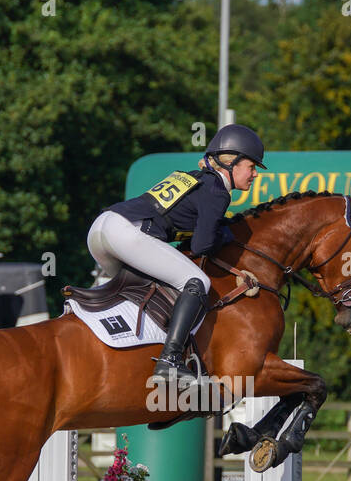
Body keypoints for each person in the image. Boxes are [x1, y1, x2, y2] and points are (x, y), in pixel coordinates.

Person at [87, 123, 266, 390]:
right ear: (232, 163)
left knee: (137, 292)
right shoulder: (217, 190)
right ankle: (170, 360)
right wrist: (226, 236)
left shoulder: (195, 178)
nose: (254, 175)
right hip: (128, 232)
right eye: (251, 167)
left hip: (101, 227)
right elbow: (203, 244)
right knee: (197, 282)